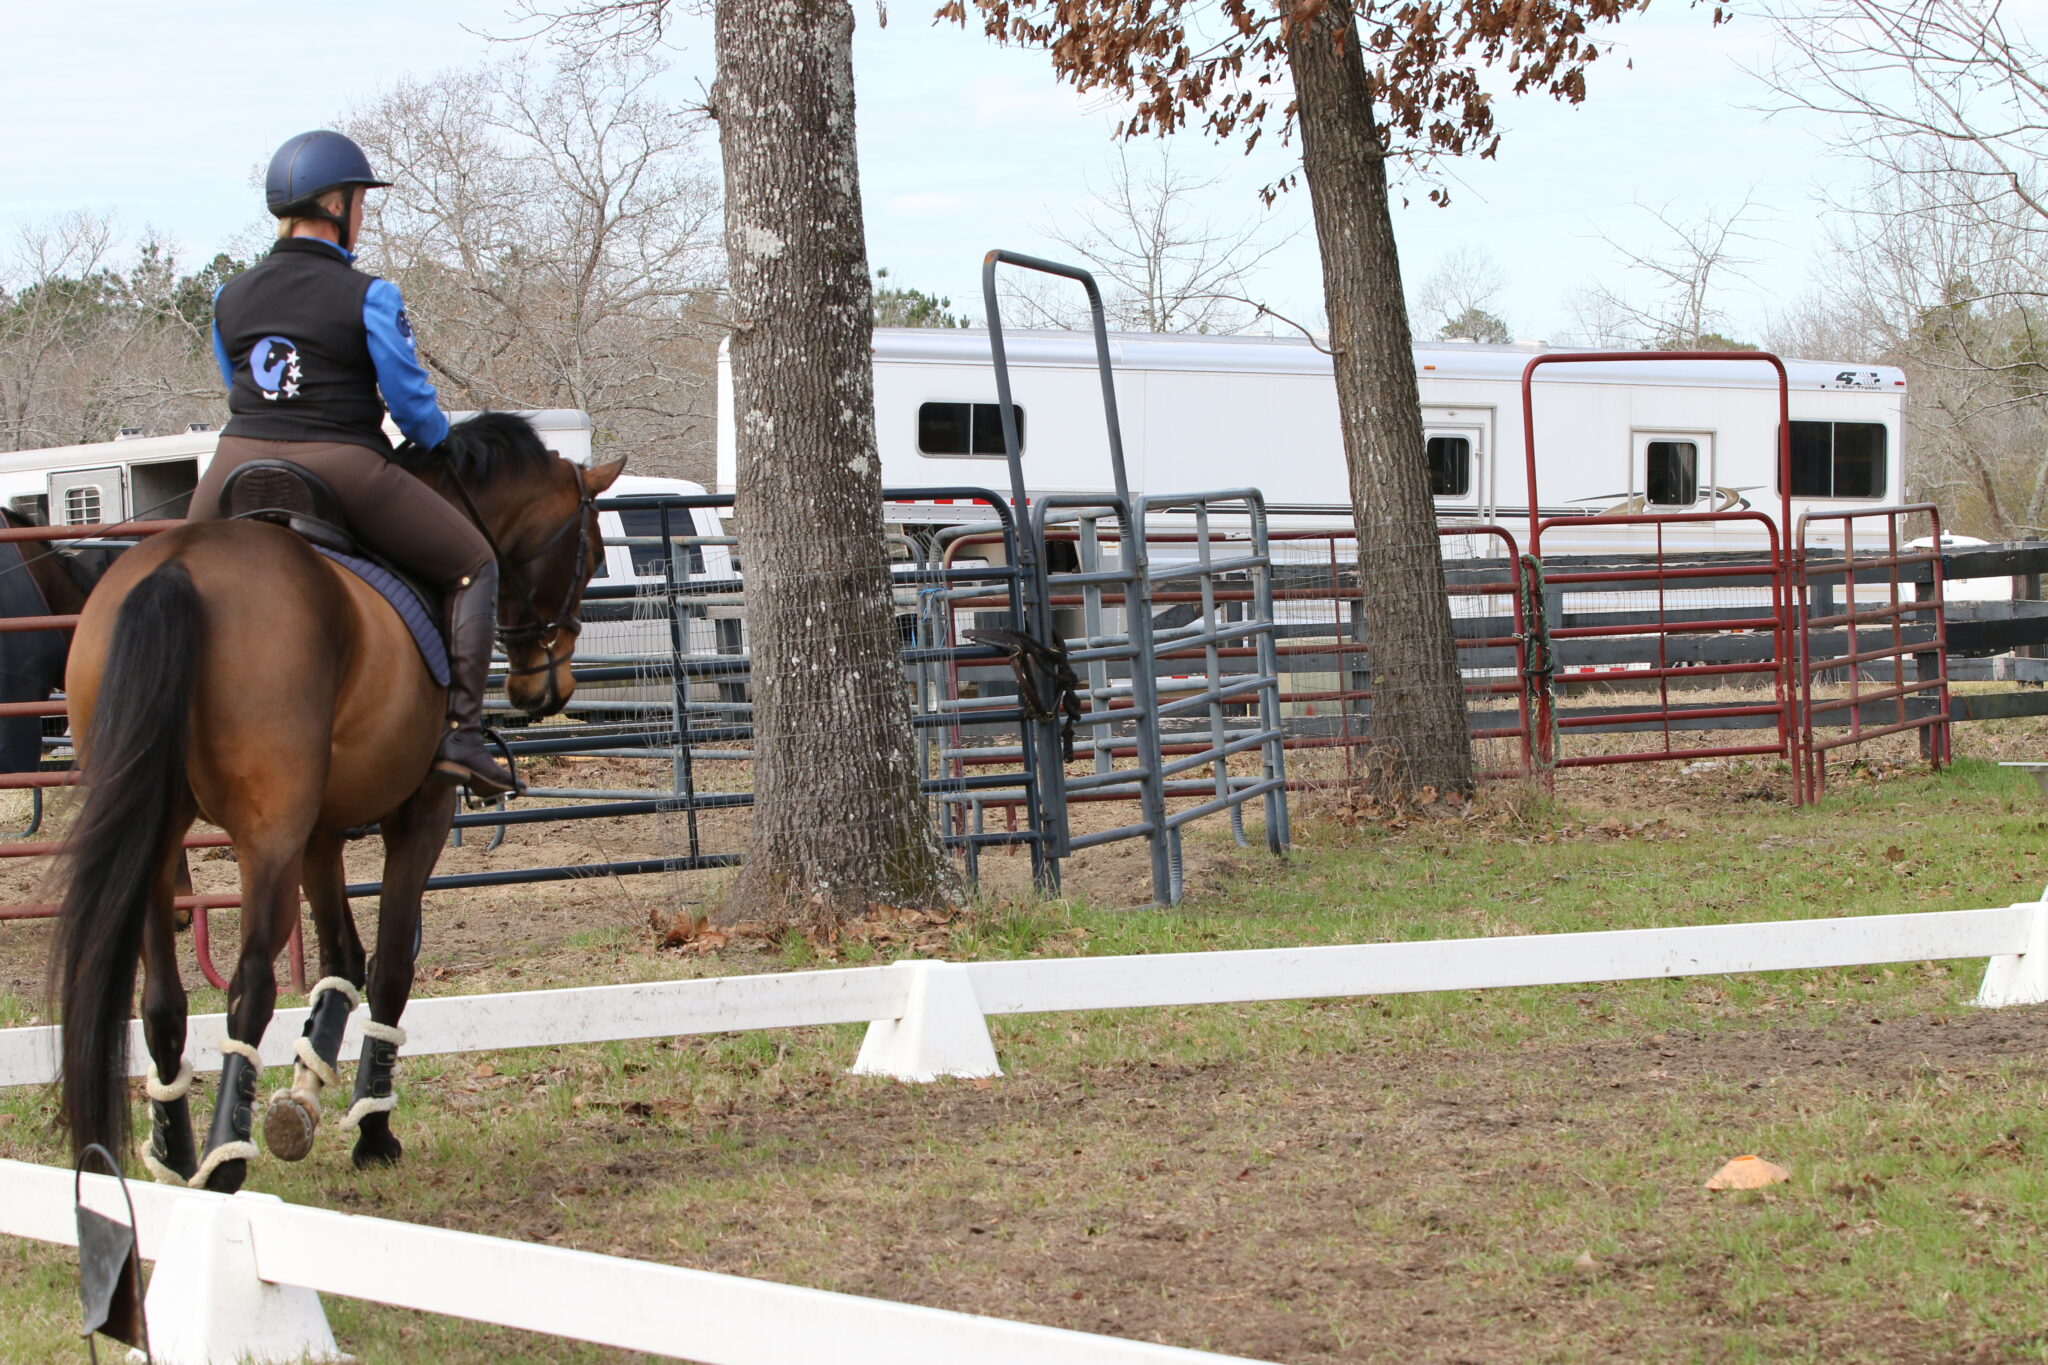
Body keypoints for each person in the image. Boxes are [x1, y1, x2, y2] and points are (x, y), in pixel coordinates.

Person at [189, 129, 519, 797]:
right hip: (342, 464)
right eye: (361, 202)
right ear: (336, 204)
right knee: (475, 561)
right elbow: (410, 404)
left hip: (232, 461)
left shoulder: (229, 296)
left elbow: (235, 381)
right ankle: (461, 730)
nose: (363, 214)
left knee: (165, 574)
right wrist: (434, 439)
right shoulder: (369, 294)